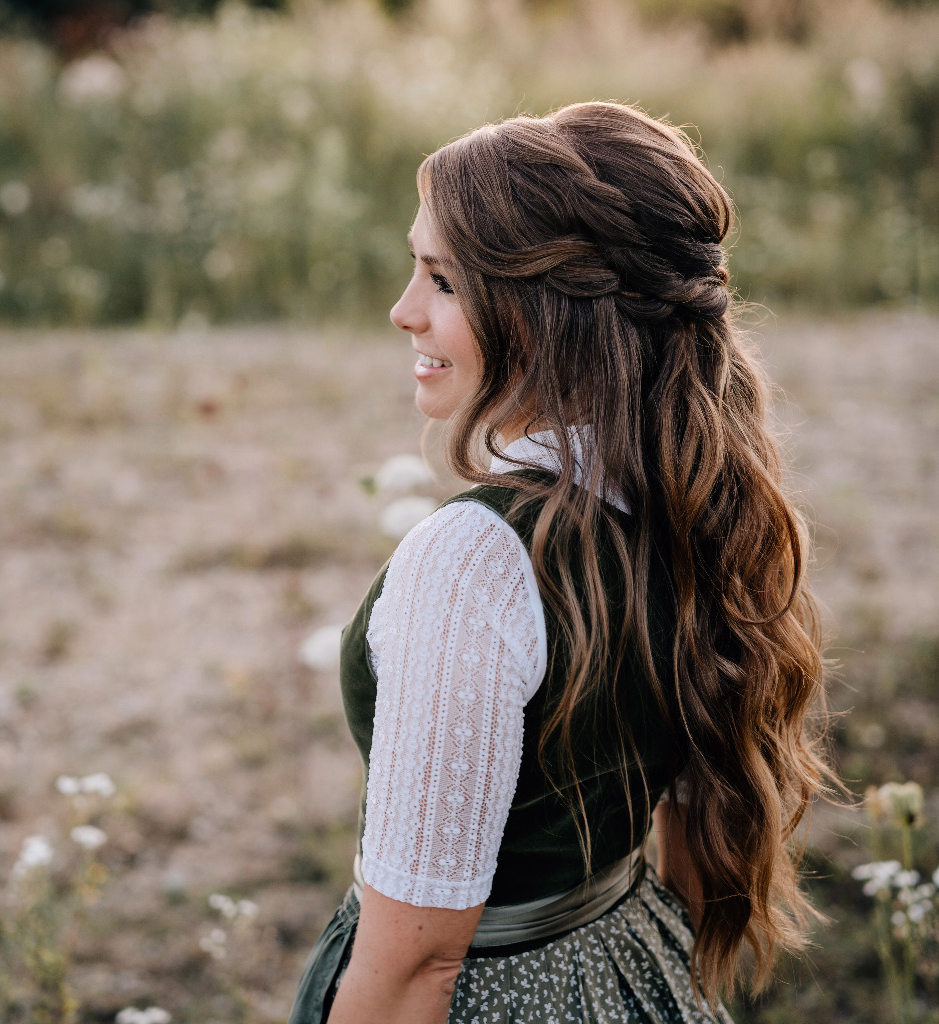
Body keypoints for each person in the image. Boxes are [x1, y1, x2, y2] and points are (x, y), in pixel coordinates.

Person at [288, 101, 833, 1024]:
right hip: (627, 959)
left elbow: (417, 968)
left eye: (441, 280)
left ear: (540, 313)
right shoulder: (683, 486)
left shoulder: (471, 565)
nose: (403, 310)